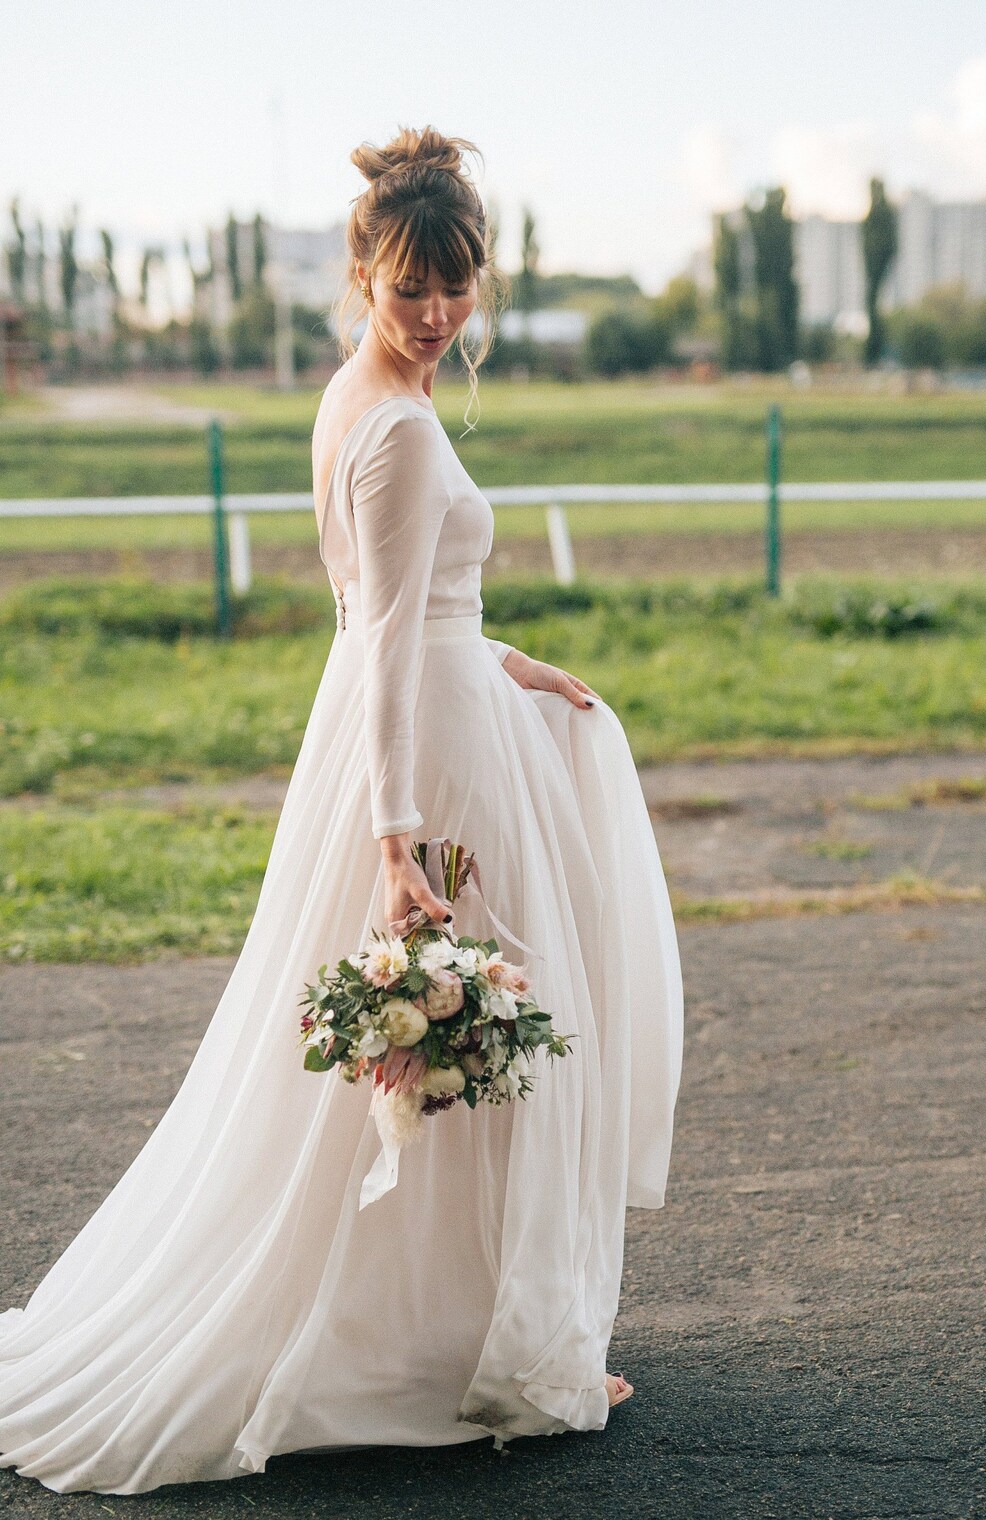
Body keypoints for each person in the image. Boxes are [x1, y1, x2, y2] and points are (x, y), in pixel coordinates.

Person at [0, 124, 684, 1496]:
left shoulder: (352, 398)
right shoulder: (402, 434)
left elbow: (407, 613)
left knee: (445, 1058)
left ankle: (466, 1331)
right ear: (365, 276)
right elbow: (382, 642)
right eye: (409, 292)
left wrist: (505, 659)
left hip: (431, 718)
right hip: (421, 762)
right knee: (476, 1052)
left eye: (457, 290)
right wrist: (395, 842)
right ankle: (477, 1351)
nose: (437, 319)